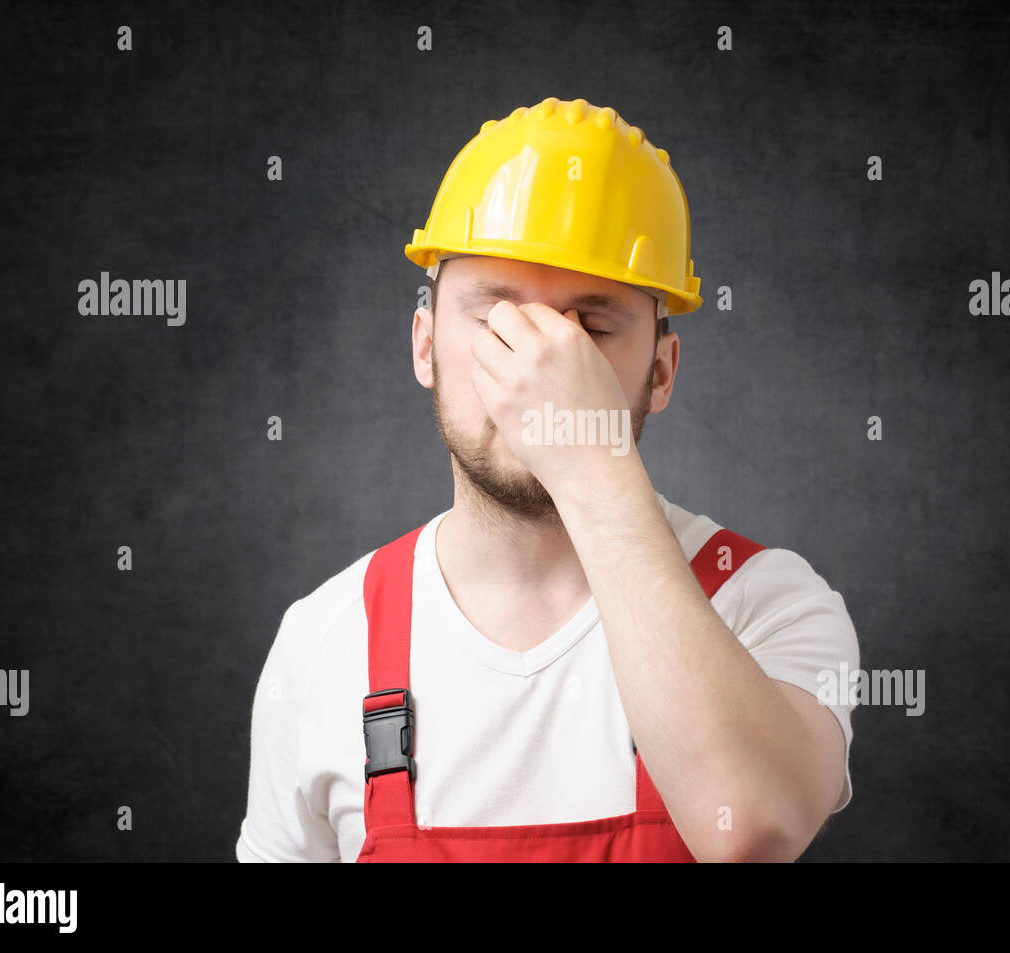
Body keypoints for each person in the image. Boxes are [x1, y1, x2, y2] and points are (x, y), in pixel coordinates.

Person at [236, 96, 860, 862]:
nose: (539, 365)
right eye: (498, 320)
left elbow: (754, 828)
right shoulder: (324, 640)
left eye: (591, 330)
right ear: (425, 346)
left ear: (660, 373)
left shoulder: (766, 600)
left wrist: (589, 454)